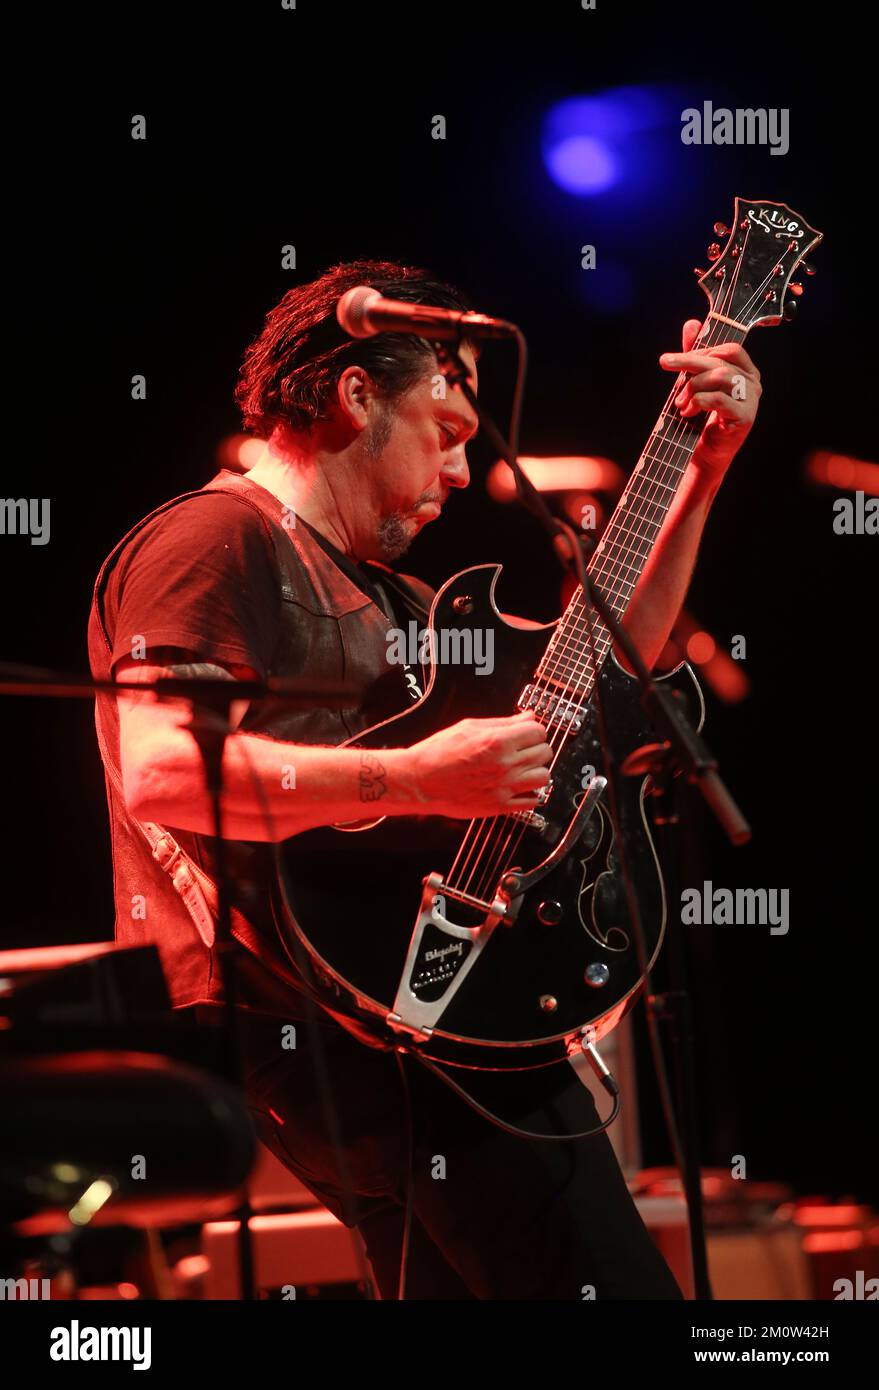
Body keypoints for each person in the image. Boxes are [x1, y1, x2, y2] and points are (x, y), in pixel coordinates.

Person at [88, 259, 762, 1298]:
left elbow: (609, 664)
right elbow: (164, 768)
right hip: (350, 1020)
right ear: (355, 394)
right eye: (446, 435)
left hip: (405, 1019)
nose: (460, 473)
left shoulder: (395, 594)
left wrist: (702, 471)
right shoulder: (213, 538)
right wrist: (414, 778)